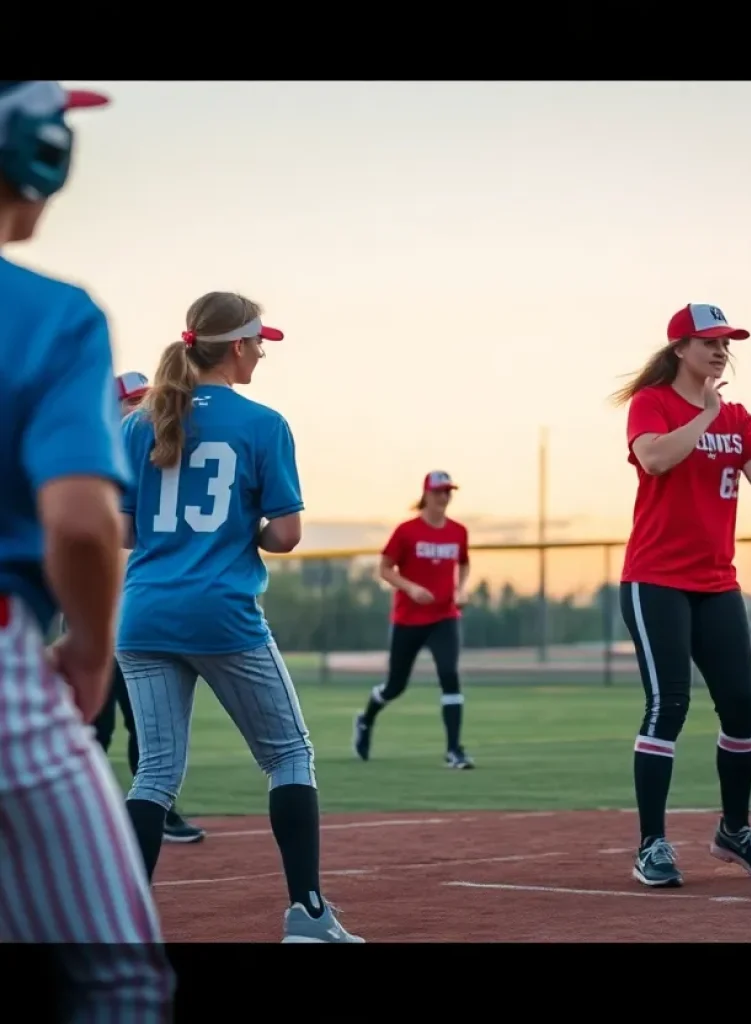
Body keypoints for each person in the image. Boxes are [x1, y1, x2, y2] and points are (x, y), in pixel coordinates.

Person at [0, 80, 174, 1016]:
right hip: (4, 666)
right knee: (114, 977)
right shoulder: (51, 315)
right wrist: (90, 652)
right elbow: (78, 520)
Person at [116, 291, 363, 943]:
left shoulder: (138, 423)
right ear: (234, 347)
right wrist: (234, 527)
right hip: (220, 611)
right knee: (289, 752)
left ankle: (118, 922)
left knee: (155, 772)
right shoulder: (262, 423)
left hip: (142, 615)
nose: (261, 354)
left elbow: (119, 531)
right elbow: (285, 536)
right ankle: (308, 914)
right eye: (259, 344)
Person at [612, 302, 751, 888]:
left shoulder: (740, 414)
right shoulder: (654, 404)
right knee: (668, 705)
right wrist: (707, 415)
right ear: (679, 350)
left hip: (717, 583)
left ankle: (734, 830)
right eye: (709, 342)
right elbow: (655, 456)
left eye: (726, 343)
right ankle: (652, 845)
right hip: (654, 580)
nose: (722, 351)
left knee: (742, 708)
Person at [89, 371, 206, 843]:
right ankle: (89, 816)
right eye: (132, 400)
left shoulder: (157, 458)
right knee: (96, 723)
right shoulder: (97, 463)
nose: (140, 408)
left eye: (145, 400)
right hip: (100, 614)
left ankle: (160, 812)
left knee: (147, 722)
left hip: (142, 610)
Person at [353, 471, 474, 768]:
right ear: (426, 495)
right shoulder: (407, 532)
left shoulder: (458, 531)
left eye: (448, 492)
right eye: (439, 492)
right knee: (395, 686)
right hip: (408, 619)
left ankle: (454, 750)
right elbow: (384, 568)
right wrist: (410, 587)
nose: (444, 497)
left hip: (444, 616)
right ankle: (366, 720)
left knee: (450, 675)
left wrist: (460, 589)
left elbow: (464, 564)